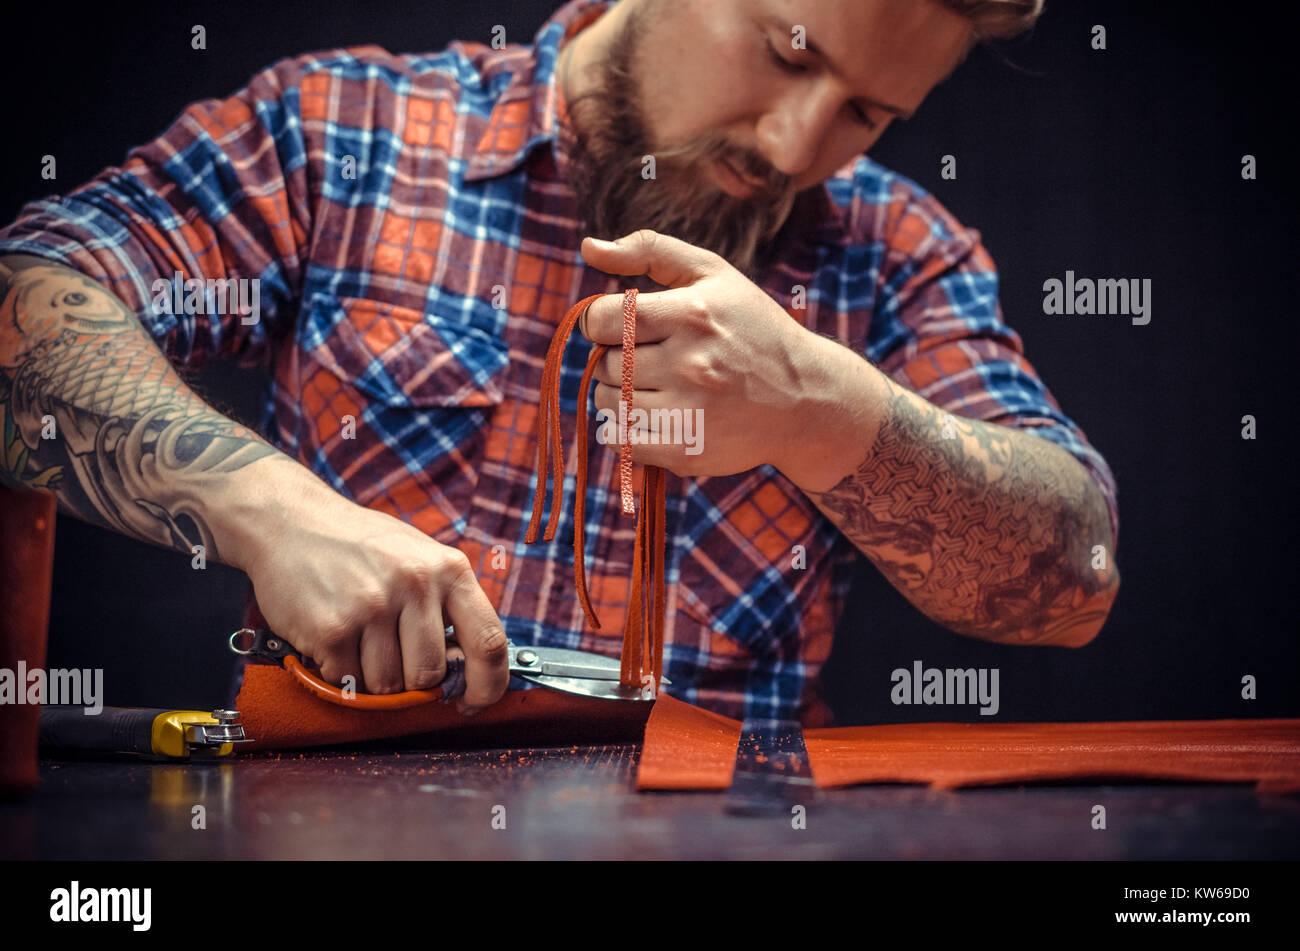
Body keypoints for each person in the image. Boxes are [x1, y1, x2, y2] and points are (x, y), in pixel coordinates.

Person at [0, 0, 1118, 724]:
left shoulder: (900, 257)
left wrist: (825, 410)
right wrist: (269, 509)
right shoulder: (341, 132)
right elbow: (24, 299)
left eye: (865, 113)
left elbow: (1076, 579)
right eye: (787, 51)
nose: (790, 148)